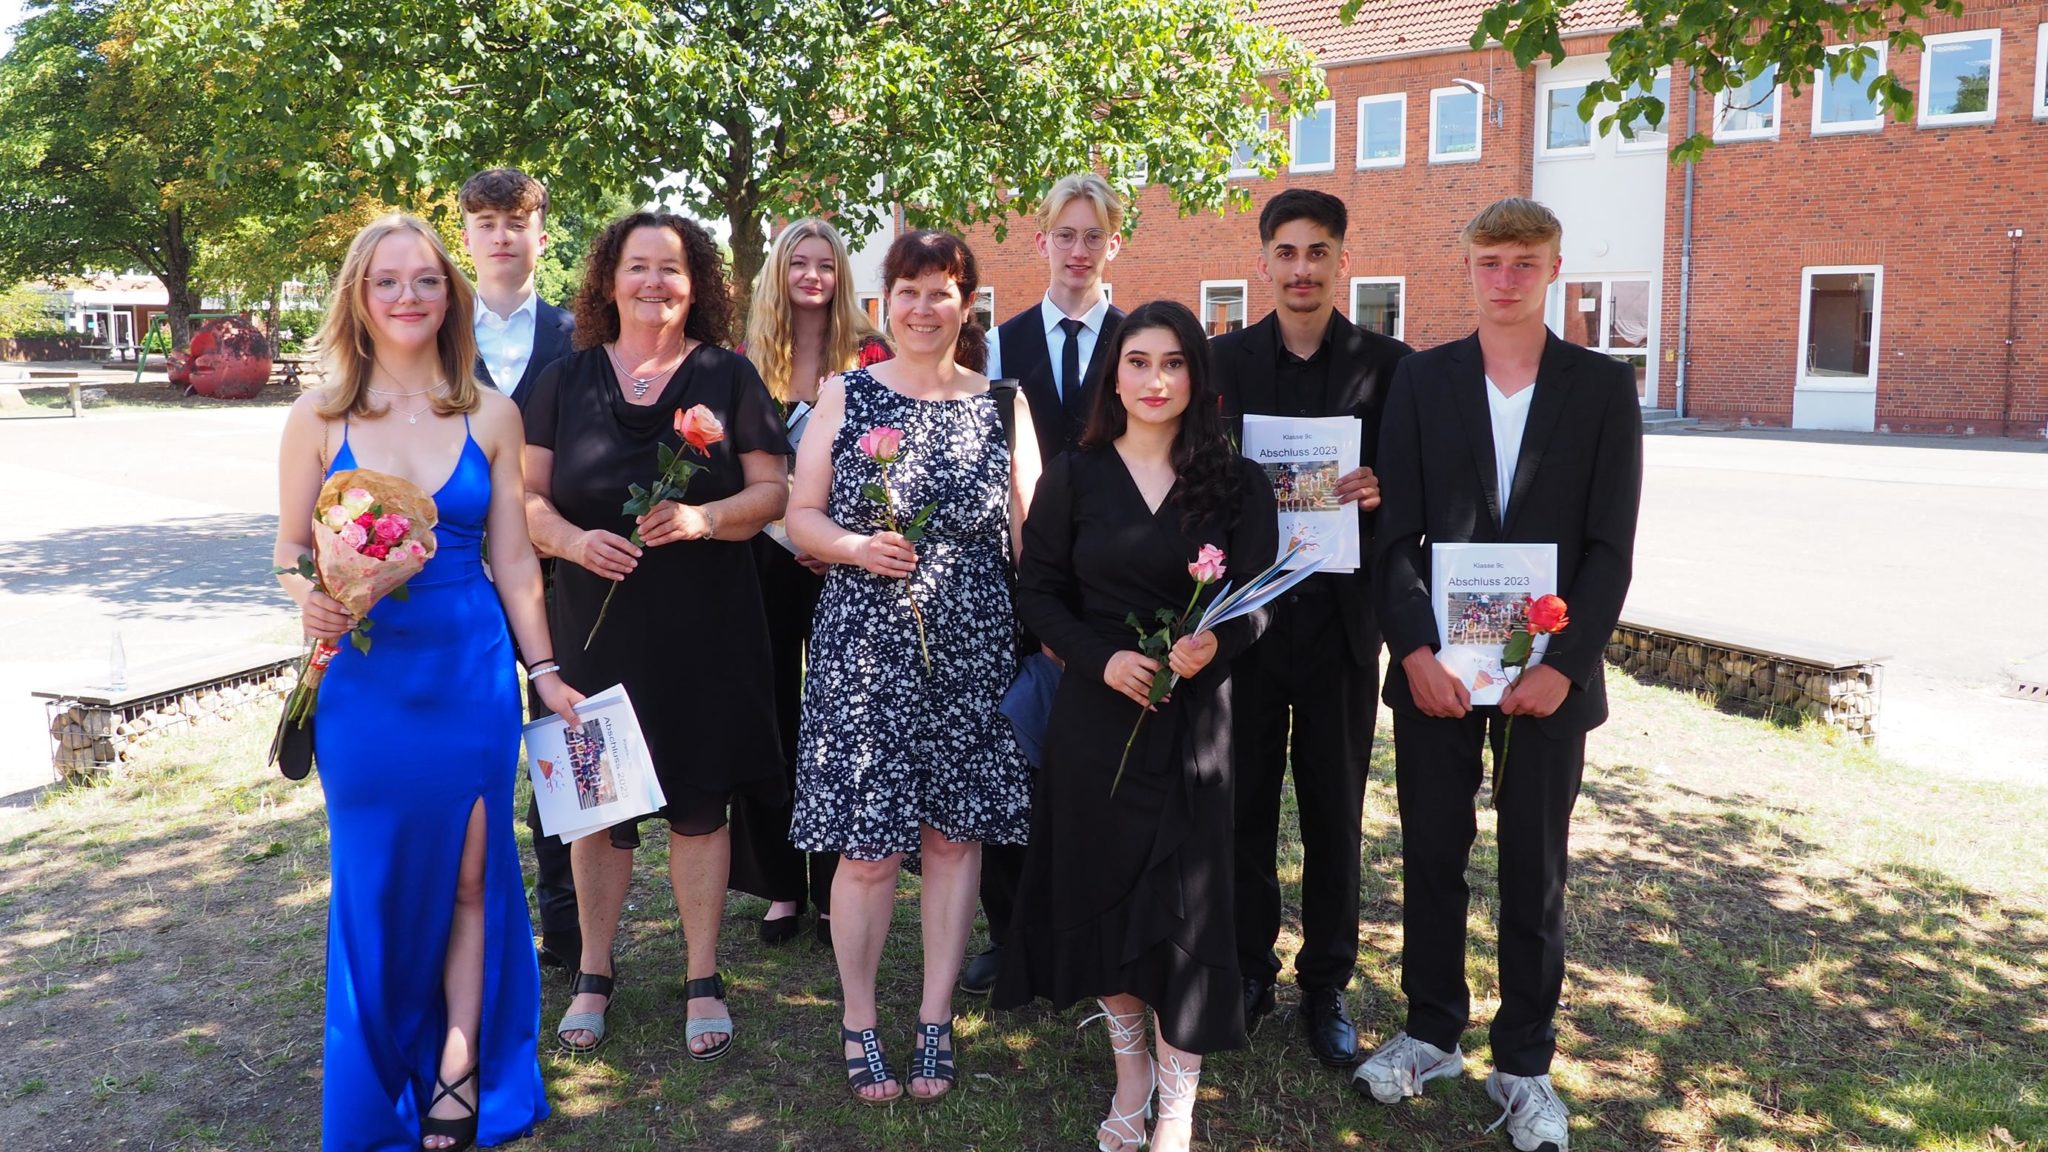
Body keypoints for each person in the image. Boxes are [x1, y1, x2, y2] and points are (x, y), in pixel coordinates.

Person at [273, 213, 574, 1150]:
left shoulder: (492, 413)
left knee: (475, 879)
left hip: (468, 670)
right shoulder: (317, 417)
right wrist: (308, 597)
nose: (408, 296)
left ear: (451, 298)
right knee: (375, 881)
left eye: (427, 281)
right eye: (387, 281)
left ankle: (458, 1065)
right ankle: (373, 1082)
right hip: (364, 684)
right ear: (358, 299)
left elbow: (518, 562)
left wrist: (548, 672)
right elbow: (287, 550)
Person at [1354, 198, 1643, 1152]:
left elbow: (1609, 548)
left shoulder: (1602, 387)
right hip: (1442, 671)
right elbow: (1391, 534)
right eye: (1490, 262)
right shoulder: (1424, 381)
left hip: (1547, 680)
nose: (1506, 279)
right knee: (1434, 854)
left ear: (1556, 268)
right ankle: (1432, 1031)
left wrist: (1564, 665)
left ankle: (1523, 1064)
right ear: (1467, 269)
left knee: (1535, 869)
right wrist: (1417, 654)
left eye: (1525, 262)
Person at [995, 301, 1277, 1152]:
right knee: (1100, 889)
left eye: (1174, 363)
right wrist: (1099, 660)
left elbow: (1261, 603)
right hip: (1095, 714)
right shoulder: (1074, 476)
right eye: (1138, 362)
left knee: (1188, 909)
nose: (1156, 381)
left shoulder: (1236, 480)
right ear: (1112, 374)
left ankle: (1179, 1101)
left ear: (1198, 375)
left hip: (1195, 720)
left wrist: (1213, 643)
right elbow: (1036, 589)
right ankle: (1129, 1074)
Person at [521, 211, 791, 1062]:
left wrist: (709, 515)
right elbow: (522, 505)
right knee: (599, 813)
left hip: (706, 632)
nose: (653, 283)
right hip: (596, 629)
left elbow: (775, 492)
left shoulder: (730, 376)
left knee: (699, 805)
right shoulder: (560, 384)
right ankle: (595, 970)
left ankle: (702, 973)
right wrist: (567, 539)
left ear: (695, 281)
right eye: (636, 267)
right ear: (608, 280)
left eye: (670, 269)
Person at [786, 230, 1041, 1103]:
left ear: (967, 303)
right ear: (881, 303)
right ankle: (860, 1019)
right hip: (865, 645)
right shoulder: (844, 396)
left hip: (973, 646)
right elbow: (802, 517)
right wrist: (857, 545)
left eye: (944, 291)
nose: (925, 307)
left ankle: (934, 1019)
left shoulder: (1004, 402)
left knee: (953, 836)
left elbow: (1029, 535)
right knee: (867, 849)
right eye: (909, 290)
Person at [1214, 188, 1412, 1068]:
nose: (1301, 269)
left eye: (1318, 252)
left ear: (1342, 260)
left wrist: (1380, 491)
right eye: (1286, 252)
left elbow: (1416, 494)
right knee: (1244, 808)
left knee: (1334, 813)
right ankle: (1248, 967)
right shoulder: (1222, 366)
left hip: (1339, 627)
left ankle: (1326, 983)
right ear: (1264, 261)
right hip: (1248, 628)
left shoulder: (1391, 366)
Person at [964, 171, 1128, 996]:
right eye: (1063, 235)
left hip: (1113, 579)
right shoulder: (999, 345)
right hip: (1016, 576)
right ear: (1041, 243)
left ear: (1113, 245)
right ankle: (1011, 932)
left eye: (1092, 236)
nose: (1077, 250)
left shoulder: (1143, 341)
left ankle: (1093, 930)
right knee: (1010, 754)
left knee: (1099, 765)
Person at [729, 218, 891, 949]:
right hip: (762, 557)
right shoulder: (745, 359)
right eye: (801, 263)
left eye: (826, 264)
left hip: (841, 559)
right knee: (766, 712)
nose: (814, 276)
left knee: (839, 720)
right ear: (780, 272)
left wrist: (837, 539)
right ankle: (777, 884)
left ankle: (833, 886)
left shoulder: (873, 354)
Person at [457, 166, 582, 973]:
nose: (502, 235)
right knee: (471, 763)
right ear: (466, 235)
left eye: (517, 221)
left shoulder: (579, 336)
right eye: (486, 222)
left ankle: (569, 942)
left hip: (554, 579)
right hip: (453, 584)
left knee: (558, 755)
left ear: (542, 234)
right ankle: (479, 935)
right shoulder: (430, 331)